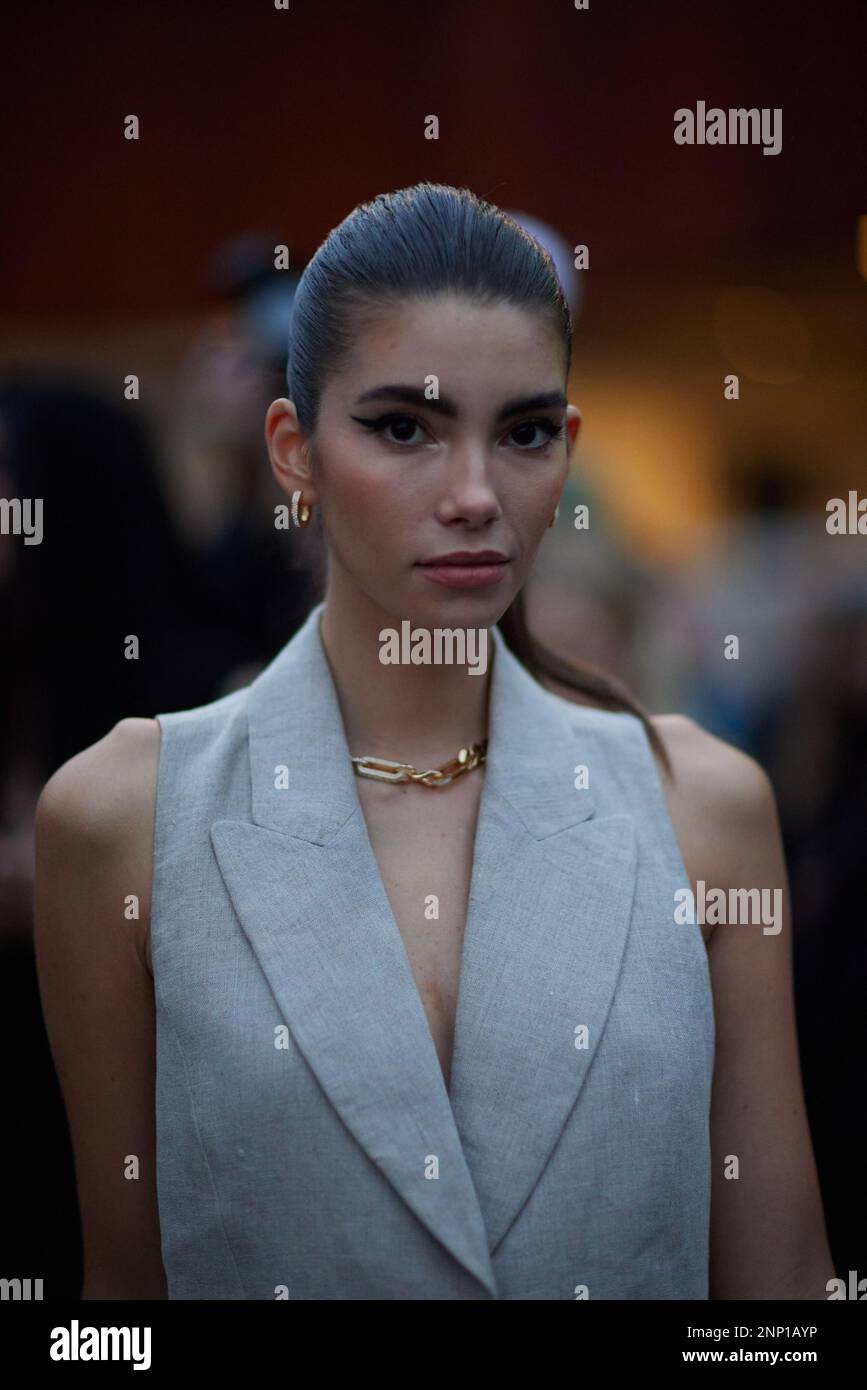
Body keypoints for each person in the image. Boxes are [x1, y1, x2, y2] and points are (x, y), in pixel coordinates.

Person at [33, 182, 835, 1301]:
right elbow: (120, 1304)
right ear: (293, 450)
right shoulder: (123, 817)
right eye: (403, 426)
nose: (473, 493)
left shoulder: (701, 806)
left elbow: (783, 1293)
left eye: (524, 432)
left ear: (570, 448)